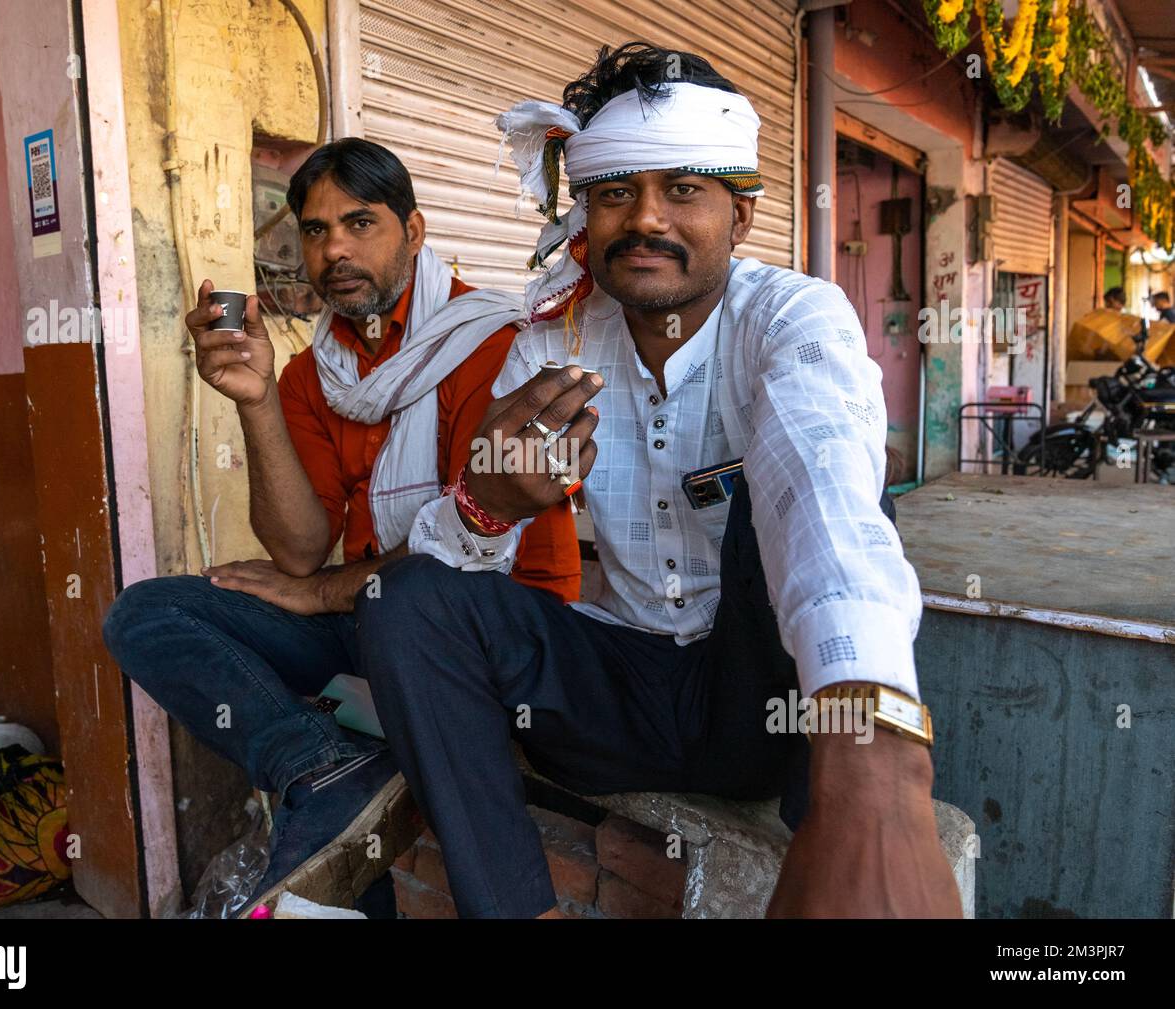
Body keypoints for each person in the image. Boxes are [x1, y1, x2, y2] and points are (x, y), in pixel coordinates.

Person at [354, 43, 962, 919]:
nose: (646, 219)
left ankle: (851, 805)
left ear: (741, 215)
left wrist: (879, 777)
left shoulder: (791, 316)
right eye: (615, 193)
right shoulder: (547, 345)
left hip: (767, 708)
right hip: (621, 688)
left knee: (785, 494)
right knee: (405, 600)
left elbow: (822, 482)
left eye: (684, 190)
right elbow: (464, 563)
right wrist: (490, 506)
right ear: (585, 218)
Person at [101, 139, 580, 911]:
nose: (335, 250)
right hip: (371, 618)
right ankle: (323, 766)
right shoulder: (314, 370)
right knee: (148, 614)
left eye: (361, 223)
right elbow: (296, 549)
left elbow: (465, 555)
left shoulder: (492, 345)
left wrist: (325, 593)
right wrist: (253, 399)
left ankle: (334, 780)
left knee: (397, 609)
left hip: (491, 635)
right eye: (317, 230)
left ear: (414, 232)